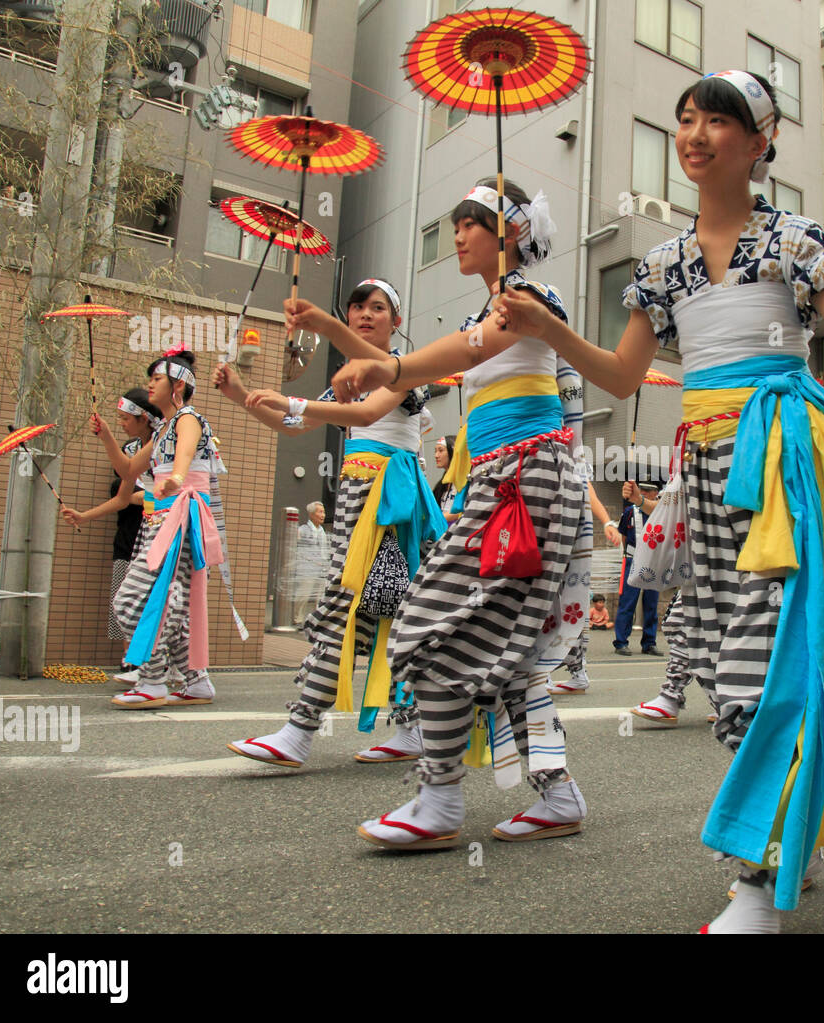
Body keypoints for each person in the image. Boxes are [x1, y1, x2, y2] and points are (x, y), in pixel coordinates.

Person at [491, 69, 824, 933]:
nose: (695, 132)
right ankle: (784, 832)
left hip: (786, 460)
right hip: (704, 471)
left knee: (760, 661)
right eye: (685, 118)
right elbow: (625, 375)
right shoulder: (662, 264)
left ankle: (754, 884)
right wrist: (548, 329)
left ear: (760, 141)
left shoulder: (794, 238)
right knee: (716, 659)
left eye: (719, 119)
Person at [307, 175, 592, 848]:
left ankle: (438, 797)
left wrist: (387, 366)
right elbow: (427, 365)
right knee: (512, 652)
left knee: (425, 624)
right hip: (505, 481)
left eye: (472, 220)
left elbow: (458, 355)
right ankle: (558, 792)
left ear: (511, 230)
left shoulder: (522, 298)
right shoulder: (489, 309)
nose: (459, 232)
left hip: (523, 482)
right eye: (456, 221)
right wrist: (335, 348)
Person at [221, 278, 444, 762]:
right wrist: (242, 395)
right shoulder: (345, 376)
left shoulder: (407, 371)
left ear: (396, 321)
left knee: (348, 610)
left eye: (378, 307)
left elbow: (363, 416)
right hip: (358, 502)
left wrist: (293, 399)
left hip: (389, 505)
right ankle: (412, 729)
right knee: (392, 613)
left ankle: (300, 731)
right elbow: (293, 424)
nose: (365, 314)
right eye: (357, 307)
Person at [110, 350, 241, 708]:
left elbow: (183, 455)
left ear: (178, 385)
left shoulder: (188, 418)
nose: (149, 384)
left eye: (156, 379)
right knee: (171, 603)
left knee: (136, 599)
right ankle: (196, 681)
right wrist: (106, 435)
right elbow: (127, 469)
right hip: (163, 518)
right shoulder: (162, 428)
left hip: (180, 516)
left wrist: (178, 478)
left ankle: (153, 681)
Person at [61, 387, 162, 684]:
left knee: (159, 602)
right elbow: (124, 489)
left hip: (167, 532)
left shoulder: (166, 441)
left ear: (144, 418)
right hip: (136, 535)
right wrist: (84, 515)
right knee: (126, 598)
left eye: (125, 418)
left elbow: (158, 495)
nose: (122, 424)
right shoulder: (135, 448)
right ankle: (134, 661)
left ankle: (166, 668)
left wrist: (148, 499)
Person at [547, 482, 619, 694]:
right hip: (550, 540)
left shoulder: (571, 459)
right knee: (560, 611)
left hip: (564, 543)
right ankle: (571, 673)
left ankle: (556, 673)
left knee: (564, 611)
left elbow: (589, 493)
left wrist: (607, 522)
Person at [612, 476, 661, 655]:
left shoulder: (661, 511)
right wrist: (629, 555)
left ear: (656, 494)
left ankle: (649, 642)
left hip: (654, 561)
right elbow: (624, 535)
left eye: (649, 492)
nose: (645, 494)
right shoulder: (630, 512)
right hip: (633, 558)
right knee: (627, 602)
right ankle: (621, 642)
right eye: (643, 491)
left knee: (651, 604)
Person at [294, 500, 331, 625]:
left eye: (324, 512)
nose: (323, 515)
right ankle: (297, 618)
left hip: (321, 569)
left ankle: (315, 620)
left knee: (319, 596)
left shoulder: (323, 532)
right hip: (307, 569)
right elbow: (296, 547)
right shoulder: (303, 530)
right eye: (320, 512)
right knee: (303, 595)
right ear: (311, 514)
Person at [432, 434, 459, 521]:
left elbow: (462, 510)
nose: (436, 455)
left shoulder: (463, 480)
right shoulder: (441, 485)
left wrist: (437, 520)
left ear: (452, 452)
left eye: (441, 450)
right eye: (435, 451)